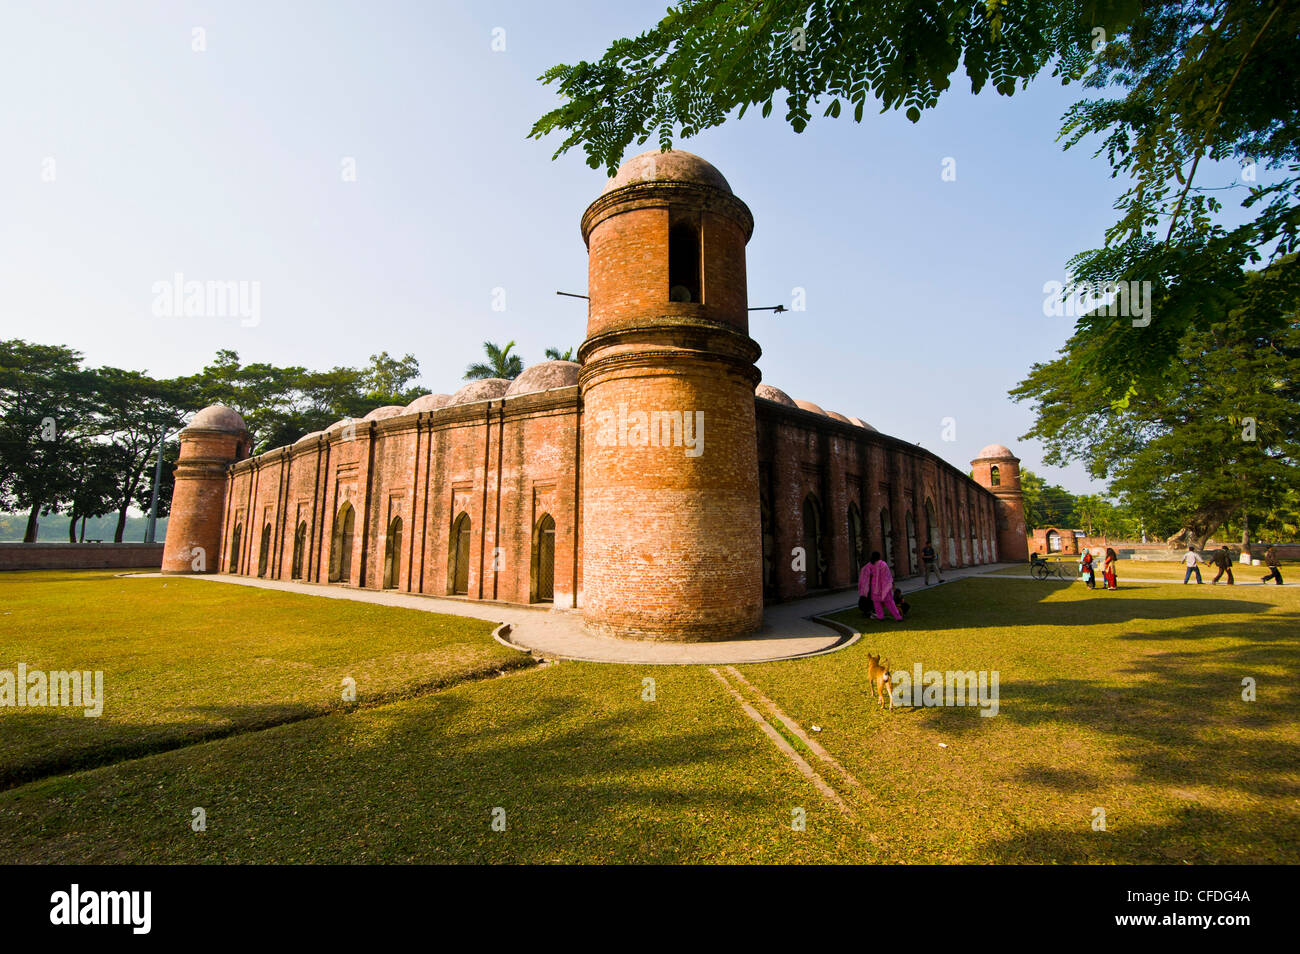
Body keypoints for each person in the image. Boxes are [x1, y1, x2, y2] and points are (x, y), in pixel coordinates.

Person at [868, 551, 903, 621]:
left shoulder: (870, 564)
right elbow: (888, 575)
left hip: (875, 586)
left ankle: (880, 616)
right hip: (884, 586)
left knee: (877, 602)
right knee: (889, 602)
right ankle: (898, 617)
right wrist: (891, 583)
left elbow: (868, 574)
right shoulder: (883, 564)